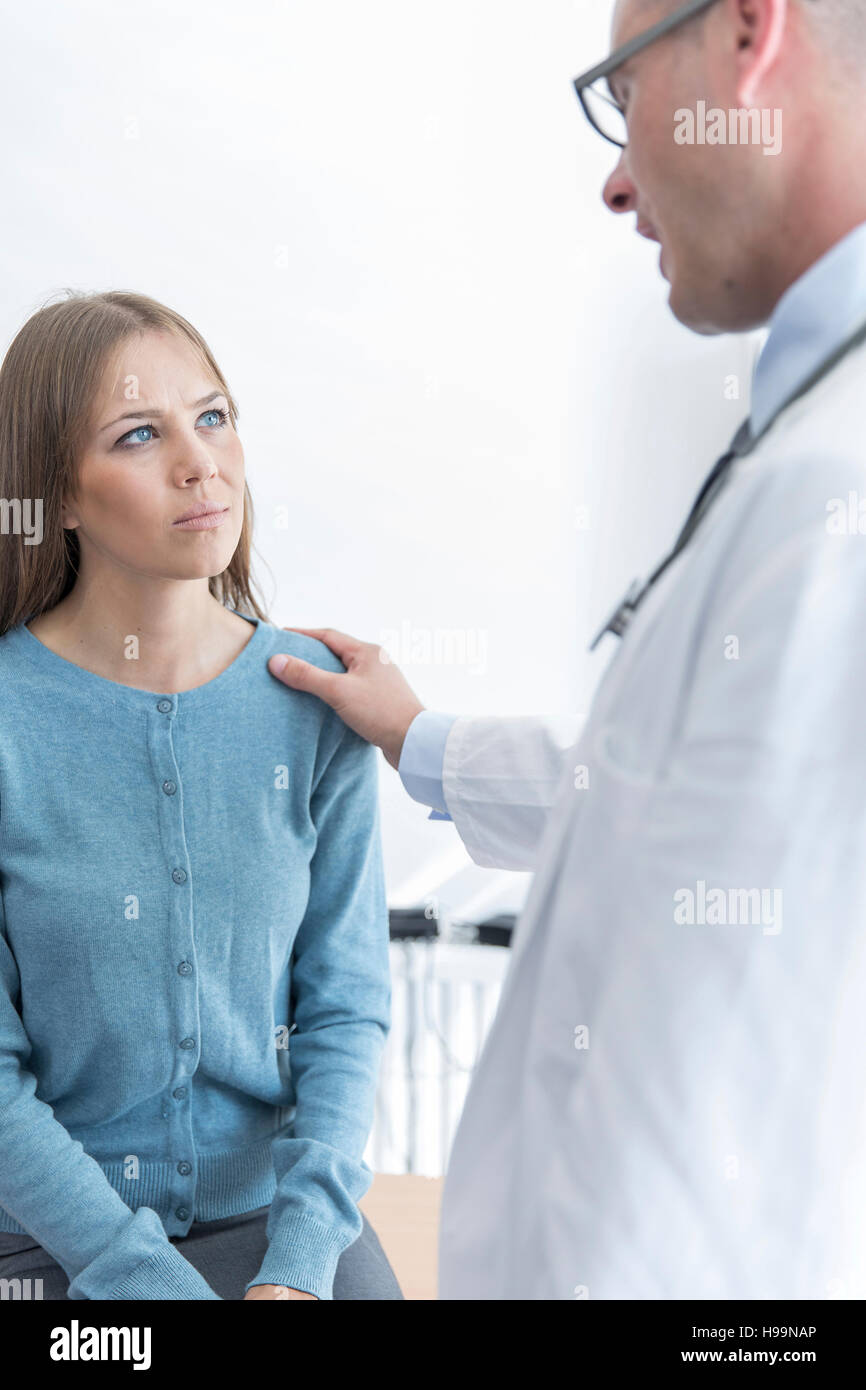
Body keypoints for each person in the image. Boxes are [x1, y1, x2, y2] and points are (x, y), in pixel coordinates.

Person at [269, 0, 866, 1298]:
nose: (612, 177)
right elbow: (663, 802)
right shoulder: (808, 446)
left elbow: (706, 1142)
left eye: (619, 92)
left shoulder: (838, 500)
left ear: (747, 34)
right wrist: (419, 738)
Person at [0, 290, 402, 1300]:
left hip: (288, 1235)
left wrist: (301, 1268)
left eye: (212, 416)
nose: (200, 463)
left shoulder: (317, 701)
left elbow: (345, 1010)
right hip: (52, 1248)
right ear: (64, 496)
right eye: (141, 433)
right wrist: (141, 1284)